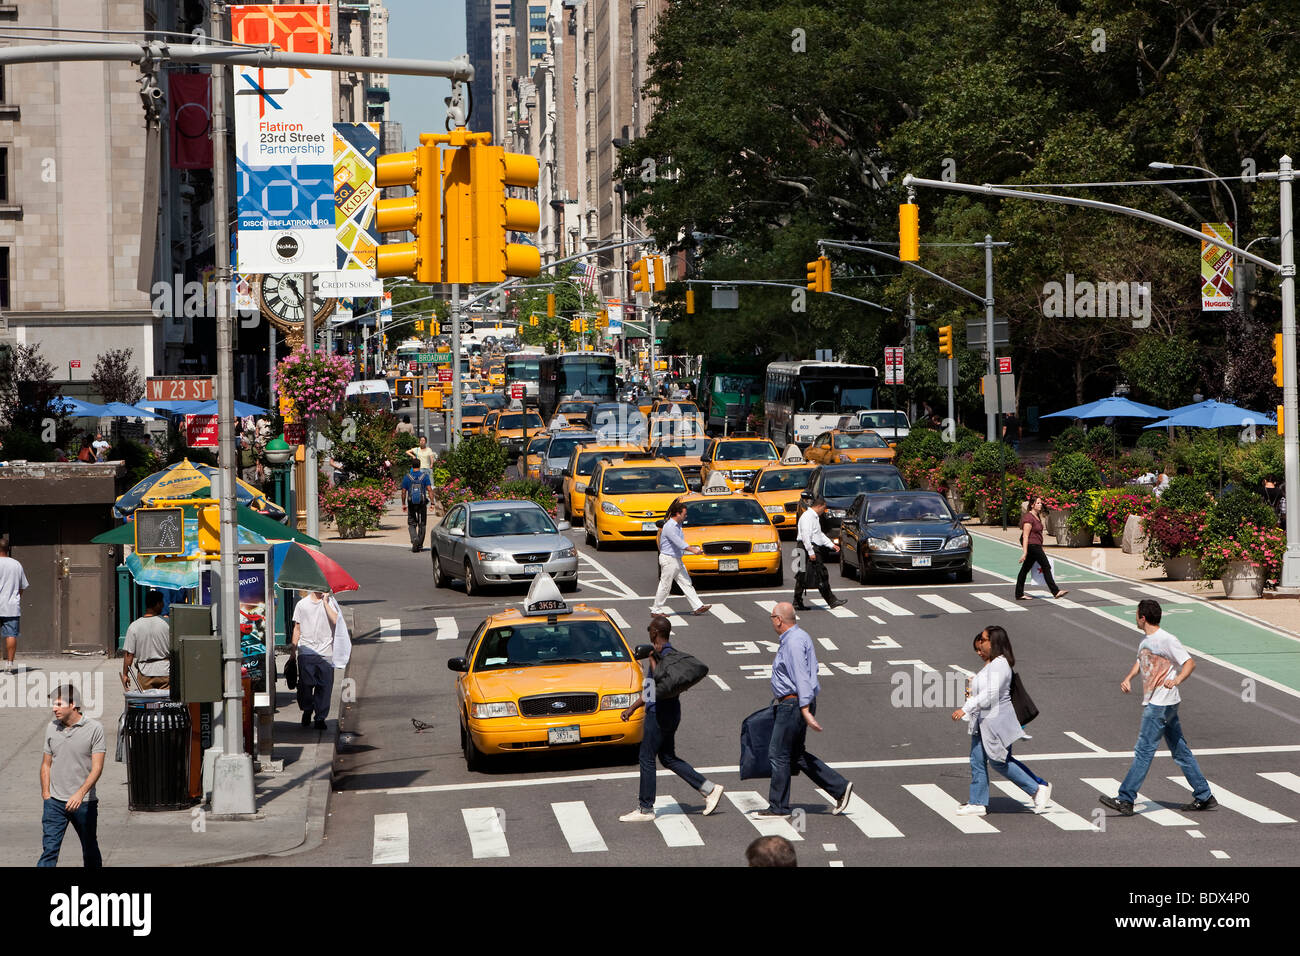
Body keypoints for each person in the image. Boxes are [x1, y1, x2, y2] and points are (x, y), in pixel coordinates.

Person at [1099, 599, 1217, 816]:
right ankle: (1204, 795)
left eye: (1136, 614)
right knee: (1180, 750)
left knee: (1144, 750)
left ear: (1143, 617)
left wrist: (1177, 680)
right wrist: (1128, 678)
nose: (1135, 618)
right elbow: (1140, 661)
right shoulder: (1146, 641)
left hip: (1160, 703)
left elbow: (1189, 663)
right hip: (1164, 704)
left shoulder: (1166, 639)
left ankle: (1125, 798)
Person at [618, 615, 724, 821]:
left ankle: (645, 808)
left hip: (658, 714)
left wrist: (651, 658)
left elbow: (654, 687)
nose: (649, 632)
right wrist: (632, 708)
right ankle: (709, 789)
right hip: (673, 711)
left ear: (655, 633)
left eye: (650, 629)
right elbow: (656, 689)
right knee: (667, 757)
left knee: (646, 757)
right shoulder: (673, 655)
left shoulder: (658, 657)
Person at [758, 602, 853, 818]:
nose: (771, 621)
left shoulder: (792, 642)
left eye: (772, 617)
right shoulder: (800, 636)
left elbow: (801, 676)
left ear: (779, 620)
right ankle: (839, 787)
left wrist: (805, 709)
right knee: (795, 754)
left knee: (778, 754)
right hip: (797, 703)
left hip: (793, 704)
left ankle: (778, 807)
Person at [949, 626, 1052, 815]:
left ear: (993, 642)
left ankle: (1037, 787)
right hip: (983, 722)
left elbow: (991, 694)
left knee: (999, 761)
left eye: (983, 639)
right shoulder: (992, 664)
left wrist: (965, 708)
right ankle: (977, 802)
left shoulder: (1001, 664)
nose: (980, 643)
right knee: (977, 760)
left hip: (995, 723)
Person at [39, 684, 105, 867]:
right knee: (49, 851)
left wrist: (80, 794)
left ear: (73, 704)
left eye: (59, 704)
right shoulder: (51, 728)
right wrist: (46, 795)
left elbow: (97, 768)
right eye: (54, 704)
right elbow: (46, 764)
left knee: (90, 849)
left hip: (84, 803)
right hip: (54, 803)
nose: (54, 709)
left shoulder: (95, 728)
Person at [650, 501, 711, 616]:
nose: (685, 516)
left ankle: (698, 606)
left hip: (676, 559)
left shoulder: (678, 525)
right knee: (665, 585)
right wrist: (693, 550)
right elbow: (679, 543)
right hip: (669, 559)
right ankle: (656, 610)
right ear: (677, 514)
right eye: (684, 514)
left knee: (686, 583)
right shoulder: (670, 527)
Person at [290, 590, 339, 730]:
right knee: (305, 685)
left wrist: (325, 603)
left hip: (326, 652)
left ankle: (320, 718)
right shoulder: (302, 604)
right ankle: (307, 709)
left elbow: (336, 621)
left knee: (325, 687)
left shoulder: (331, 603)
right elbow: (297, 628)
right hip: (306, 651)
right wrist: (293, 651)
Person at [794, 496, 846, 611]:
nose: (824, 511)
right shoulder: (807, 517)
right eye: (824, 508)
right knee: (817, 573)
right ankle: (831, 600)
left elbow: (819, 534)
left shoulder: (814, 517)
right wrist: (810, 551)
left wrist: (831, 544)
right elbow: (805, 535)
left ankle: (797, 602)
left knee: (807, 574)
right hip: (806, 547)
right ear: (819, 506)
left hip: (808, 547)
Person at [1014, 494, 1068, 601]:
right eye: (1038, 503)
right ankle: (1055, 591)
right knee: (1046, 566)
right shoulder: (1028, 518)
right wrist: (1024, 552)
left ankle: (1019, 594)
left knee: (1024, 570)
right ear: (1032, 505)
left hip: (1036, 546)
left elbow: (1037, 534)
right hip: (1032, 546)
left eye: (1040, 503)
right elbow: (1025, 536)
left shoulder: (1037, 516)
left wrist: (1041, 546)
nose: (1040, 505)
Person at [121, 590, 171, 689]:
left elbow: (129, 654)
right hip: (165, 672)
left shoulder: (134, 626)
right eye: (162, 602)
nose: (163, 605)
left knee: (146, 698)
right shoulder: (167, 623)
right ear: (157, 604)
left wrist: (125, 674)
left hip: (144, 673)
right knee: (166, 699)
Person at [0, 537, 27, 673]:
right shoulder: (16, 564)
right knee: (11, 635)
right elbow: (22, 587)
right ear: (8, 549)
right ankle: (9, 665)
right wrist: (15, 598)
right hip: (11, 606)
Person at [401, 461, 434, 553]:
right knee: (422, 524)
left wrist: (403, 504)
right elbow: (429, 490)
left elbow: (403, 492)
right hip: (422, 502)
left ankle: (414, 538)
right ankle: (419, 545)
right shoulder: (424, 476)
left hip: (411, 502)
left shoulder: (407, 477)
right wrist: (432, 503)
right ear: (420, 465)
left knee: (411, 523)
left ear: (411, 466)